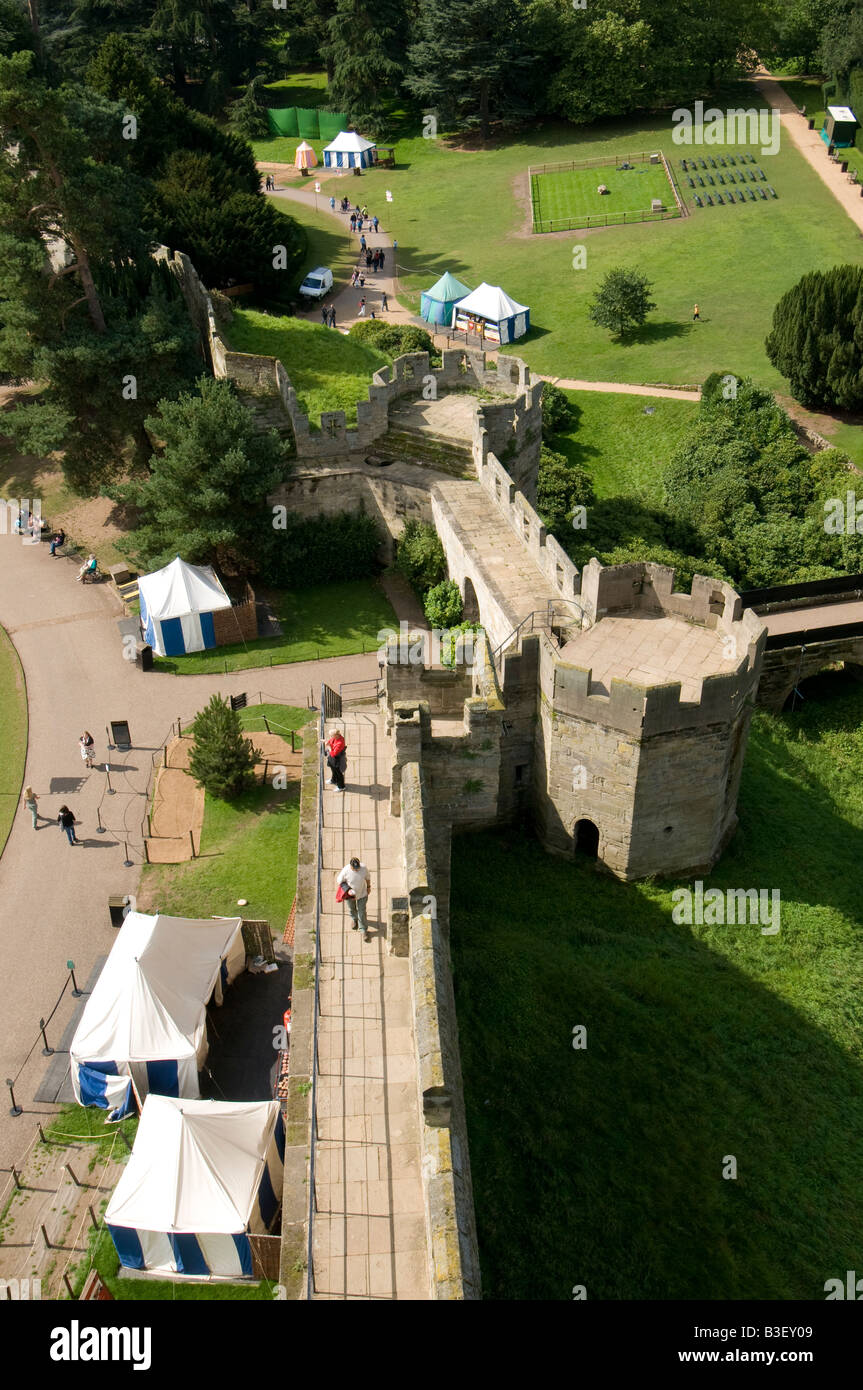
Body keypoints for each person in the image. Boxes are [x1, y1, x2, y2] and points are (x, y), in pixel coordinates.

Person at [336, 856, 372, 939]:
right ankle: (354, 918)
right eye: (354, 868)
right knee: (352, 908)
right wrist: (347, 890)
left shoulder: (363, 868)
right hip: (350, 895)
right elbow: (339, 881)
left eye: (357, 868)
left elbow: (367, 878)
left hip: (362, 894)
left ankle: (363, 930)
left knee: (362, 912)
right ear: (351, 866)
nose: (356, 870)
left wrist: (368, 887)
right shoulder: (345, 870)